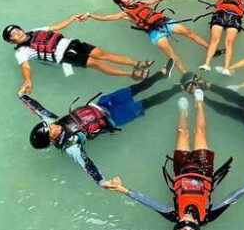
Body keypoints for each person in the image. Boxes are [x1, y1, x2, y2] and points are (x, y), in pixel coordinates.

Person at [102, 90, 244, 230]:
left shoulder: (172, 214)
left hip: (182, 170)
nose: (186, 217)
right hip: (204, 170)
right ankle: (199, 103)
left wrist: (122, 189)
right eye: (190, 223)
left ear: (177, 225)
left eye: (182, 222)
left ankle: (183, 111)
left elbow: (148, 202)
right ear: (196, 227)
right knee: (200, 132)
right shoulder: (207, 216)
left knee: (182, 133)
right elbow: (231, 198)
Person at [20, 59, 178, 183]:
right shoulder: (70, 145)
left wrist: (23, 96)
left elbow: (38, 110)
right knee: (147, 102)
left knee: (134, 88)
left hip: (102, 104)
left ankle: (162, 74)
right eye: (49, 129)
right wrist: (101, 181)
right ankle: (178, 89)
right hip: (114, 118)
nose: (52, 125)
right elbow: (86, 164)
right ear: (51, 139)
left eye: (48, 124)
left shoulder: (53, 122)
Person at [2, 15, 152, 96]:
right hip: (66, 56)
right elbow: (25, 66)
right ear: (11, 41)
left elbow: (55, 27)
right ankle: (132, 73)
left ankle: (136, 63)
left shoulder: (34, 31)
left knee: (104, 54)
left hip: (74, 43)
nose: (17, 33)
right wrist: (27, 80)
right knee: (97, 63)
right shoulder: (21, 51)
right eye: (13, 35)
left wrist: (72, 18)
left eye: (17, 30)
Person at [85, 0, 218, 74]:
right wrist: (91, 15)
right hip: (154, 32)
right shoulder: (125, 13)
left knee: (189, 33)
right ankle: (185, 73)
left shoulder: (141, 3)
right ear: (121, 3)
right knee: (170, 52)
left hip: (164, 22)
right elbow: (106, 18)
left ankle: (212, 50)